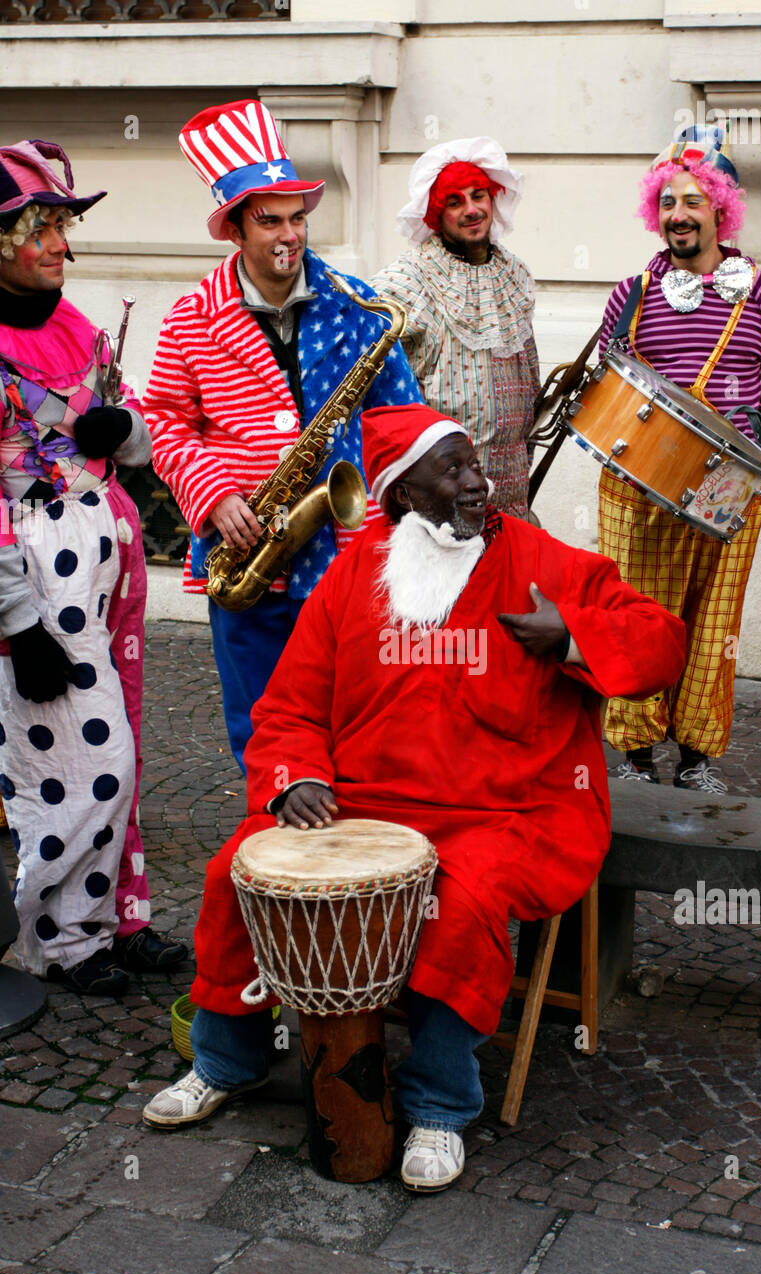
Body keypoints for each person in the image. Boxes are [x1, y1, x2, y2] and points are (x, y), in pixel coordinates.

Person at [143, 402, 685, 1192]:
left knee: (459, 904)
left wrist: (569, 632)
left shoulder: (540, 561)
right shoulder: (352, 580)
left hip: (506, 809)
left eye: (476, 464)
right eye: (454, 469)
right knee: (234, 872)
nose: (480, 481)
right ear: (401, 492)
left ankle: (439, 1105)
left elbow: (662, 639)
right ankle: (230, 1062)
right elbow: (289, 708)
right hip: (360, 804)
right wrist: (298, 776)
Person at [144, 100, 421, 771]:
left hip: (347, 558)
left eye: (298, 217)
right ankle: (272, 853)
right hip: (245, 558)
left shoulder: (356, 305)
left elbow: (404, 416)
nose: (290, 234)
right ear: (235, 227)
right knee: (261, 725)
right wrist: (213, 497)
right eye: (270, 219)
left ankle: (348, 863)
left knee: (353, 724)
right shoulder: (189, 319)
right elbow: (164, 422)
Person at [0, 138, 186, 996]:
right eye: (44, 230)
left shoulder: (75, 325)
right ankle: (59, 936)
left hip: (108, 562)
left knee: (124, 754)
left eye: (62, 230)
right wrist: (18, 619)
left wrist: (121, 435)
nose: (62, 248)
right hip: (42, 583)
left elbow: (132, 430)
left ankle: (116, 917)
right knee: (77, 764)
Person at [597, 125, 761, 794]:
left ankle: (698, 758)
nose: (678, 215)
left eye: (692, 201)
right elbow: (609, 380)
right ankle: (637, 756)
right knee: (639, 618)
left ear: (719, 209)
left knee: (713, 620)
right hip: (638, 484)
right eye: (667, 203)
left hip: (729, 482)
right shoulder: (633, 294)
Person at [372, 138, 539, 520]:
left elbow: (530, 376)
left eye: (478, 195)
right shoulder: (406, 280)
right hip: (437, 495)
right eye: (454, 201)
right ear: (435, 214)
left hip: (512, 488)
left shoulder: (515, 275)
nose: (471, 210)